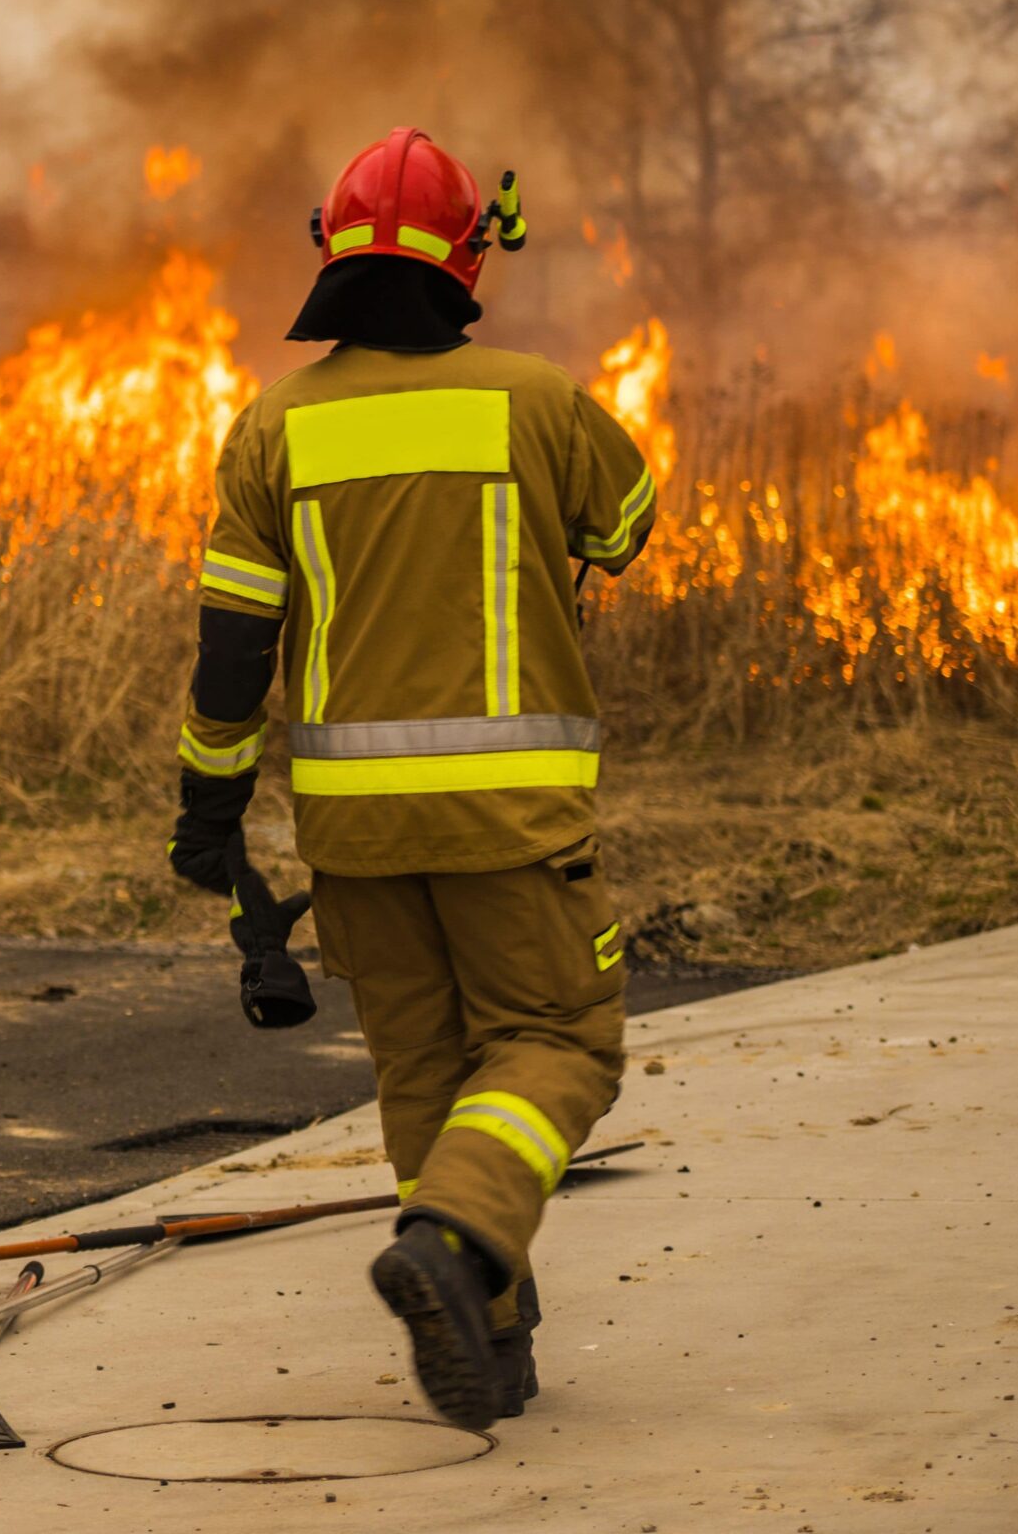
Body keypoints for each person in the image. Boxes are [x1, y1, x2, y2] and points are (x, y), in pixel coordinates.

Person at [167, 127, 656, 1430]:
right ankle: (449, 1243)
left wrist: (208, 816)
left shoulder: (272, 428)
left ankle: (489, 1352)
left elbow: (232, 652)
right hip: (512, 822)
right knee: (559, 1047)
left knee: (427, 1080)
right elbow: (626, 525)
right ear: (471, 251)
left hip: (352, 837)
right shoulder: (536, 402)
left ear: (332, 254)